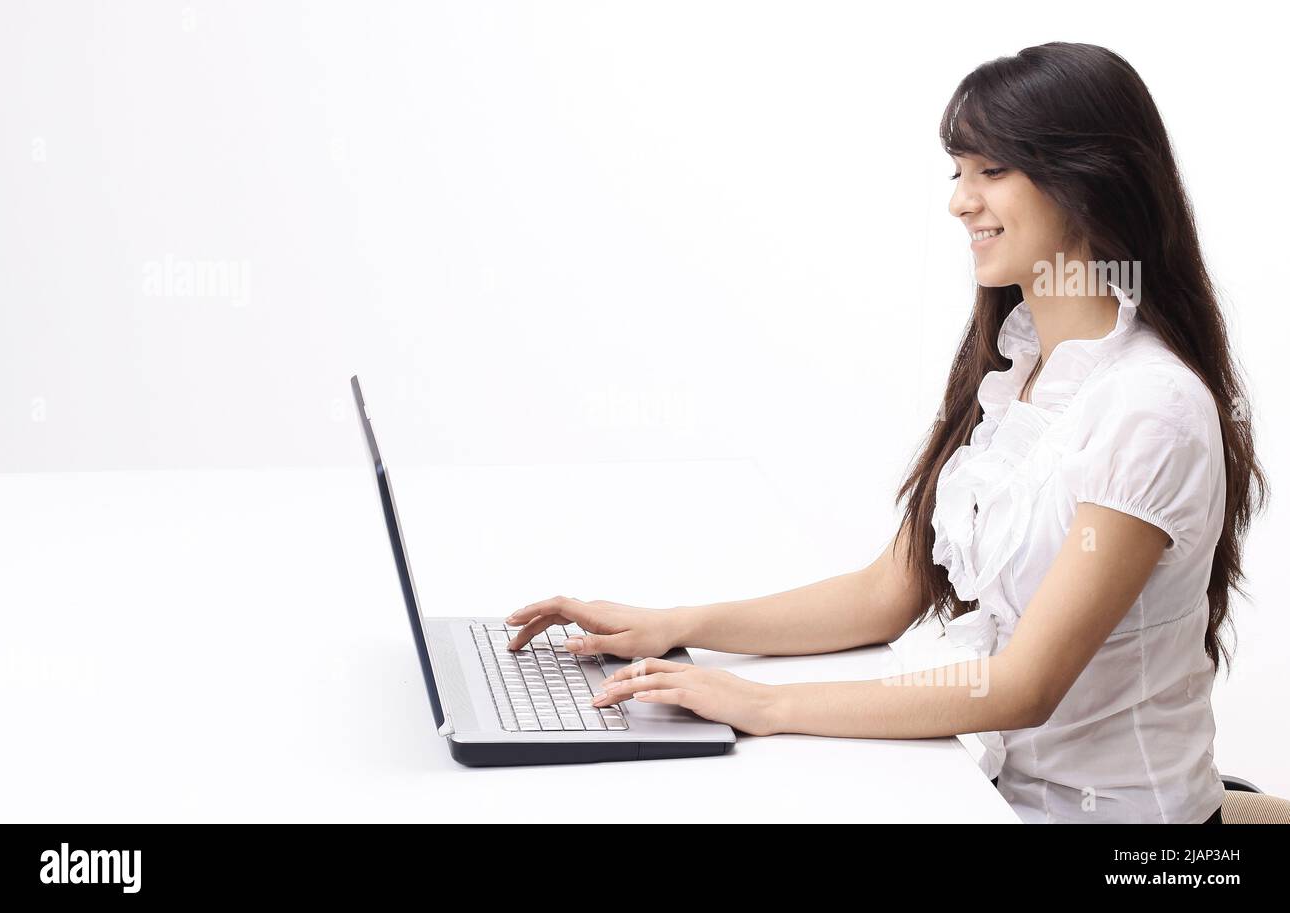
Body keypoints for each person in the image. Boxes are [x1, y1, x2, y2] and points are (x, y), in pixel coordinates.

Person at [505, 42, 1265, 824]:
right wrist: (675, 626)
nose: (960, 201)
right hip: (990, 792)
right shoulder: (1022, 369)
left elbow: (1023, 687)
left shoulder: (1149, 405)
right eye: (957, 171)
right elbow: (887, 591)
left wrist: (762, 703)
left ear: (1089, 180)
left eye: (991, 170)